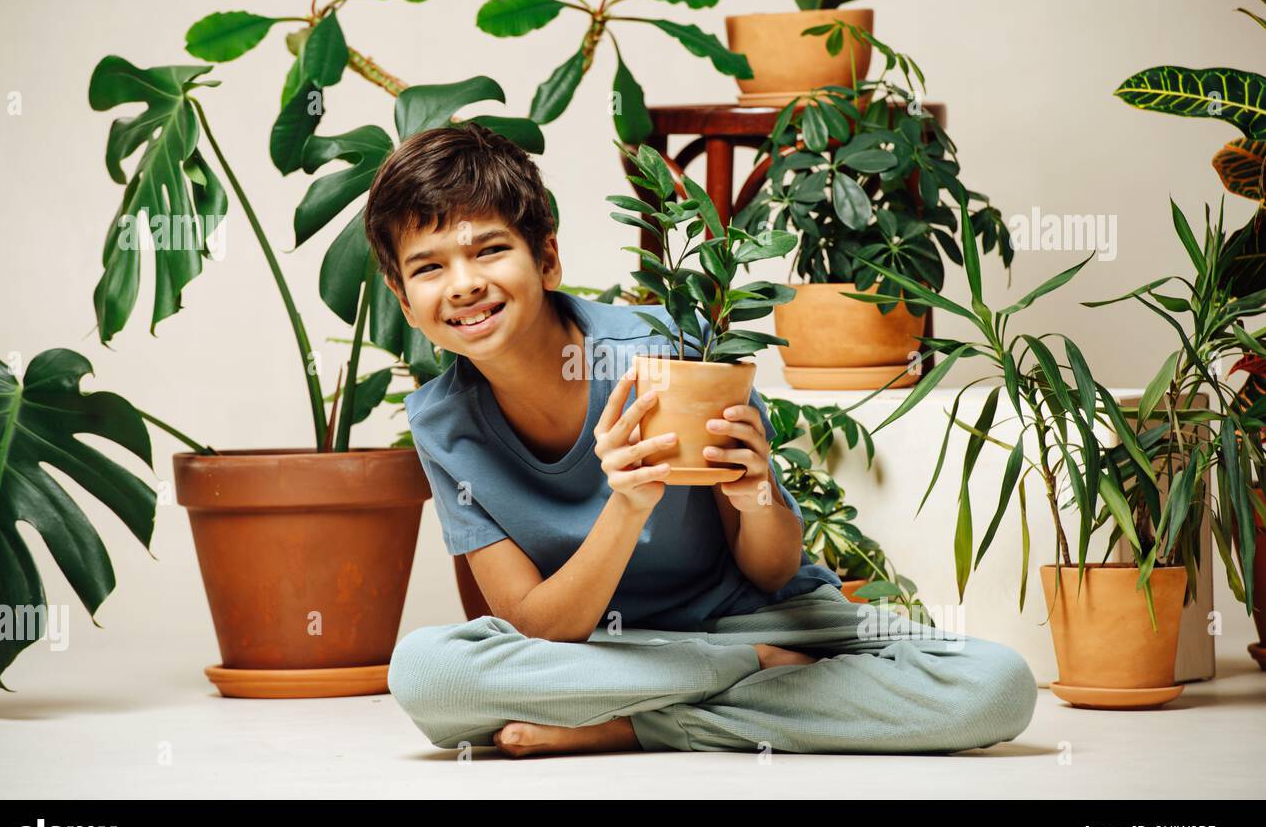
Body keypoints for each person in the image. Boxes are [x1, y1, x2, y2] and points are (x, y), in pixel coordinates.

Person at [363, 122, 1038, 758]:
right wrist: (627, 507)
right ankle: (737, 683)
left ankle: (640, 725)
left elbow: (771, 571)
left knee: (994, 686)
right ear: (402, 296)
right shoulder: (442, 425)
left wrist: (755, 492)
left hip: (759, 622)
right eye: (428, 268)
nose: (465, 284)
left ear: (546, 258)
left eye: (489, 250)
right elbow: (540, 626)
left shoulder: (668, 350)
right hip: (599, 653)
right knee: (427, 675)